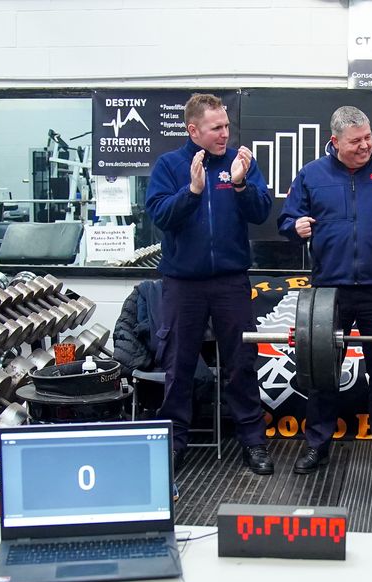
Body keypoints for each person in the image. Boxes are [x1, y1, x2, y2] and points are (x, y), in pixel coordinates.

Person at [278, 106, 372, 475]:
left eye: (368, 138)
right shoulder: (312, 175)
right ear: (335, 142)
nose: (365, 146)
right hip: (330, 291)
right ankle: (317, 445)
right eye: (356, 141)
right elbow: (286, 219)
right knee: (323, 372)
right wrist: (294, 226)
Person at [145, 93, 274, 478]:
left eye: (226, 126)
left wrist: (239, 185)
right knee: (179, 365)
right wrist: (193, 192)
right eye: (216, 128)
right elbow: (161, 217)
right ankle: (174, 445)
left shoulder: (240, 163)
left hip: (232, 282)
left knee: (241, 364)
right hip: (183, 284)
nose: (224, 134)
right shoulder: (169, 166)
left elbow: (262, 211)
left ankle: (253, 441)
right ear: (193, 129)